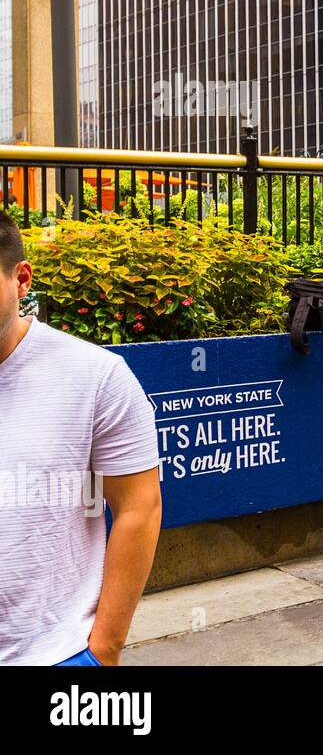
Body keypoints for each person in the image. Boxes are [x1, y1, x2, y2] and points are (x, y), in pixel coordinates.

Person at [0, 210, 162, 665]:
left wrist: (102, 650)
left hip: (54, 653)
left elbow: (138, 506)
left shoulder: (94, 377)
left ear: (22, 280)